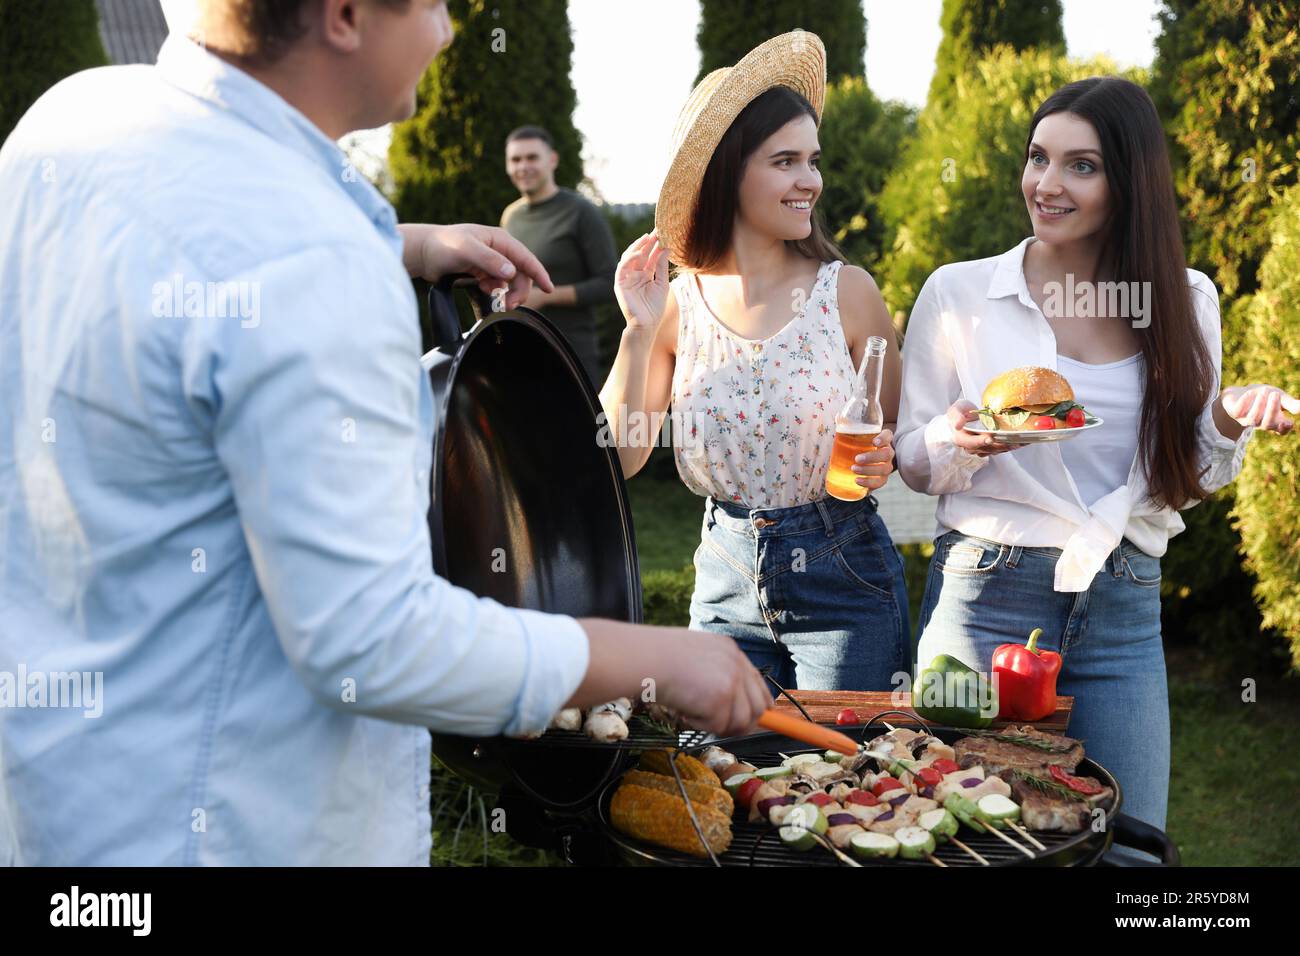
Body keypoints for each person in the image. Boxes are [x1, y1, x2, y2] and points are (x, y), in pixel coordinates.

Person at [0, 0, 769, 866]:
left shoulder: (67, 122)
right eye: (436, 7)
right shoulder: (311, 262)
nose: (446, 33)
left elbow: (198, 247)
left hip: (64, 795)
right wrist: (654, 657)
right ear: (346, 15)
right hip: (231, 822)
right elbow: (370, 638)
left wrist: (402, 243)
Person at [895, 76, 1296, 861]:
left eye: (1081, 166)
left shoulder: (1184, 298)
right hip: (985, 601)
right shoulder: (962, 293)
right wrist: (956, 438)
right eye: (1039, 158)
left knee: (1131, 853)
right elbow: (912, 462)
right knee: (969, 842)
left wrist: (1225, 417)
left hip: (1123, 609)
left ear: (1129, 183)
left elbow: (1192, 478)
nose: (1046, 184)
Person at [599, 32, 909, 694]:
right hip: (723, 579)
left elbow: (898, 442)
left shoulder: (847, 294)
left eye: (813, 160)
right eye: (786, 161)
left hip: (844, 578)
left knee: (845, 788)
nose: (811, 182)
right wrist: (638, 328)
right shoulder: (675, 306)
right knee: (725, 785)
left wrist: (889, 457)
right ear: (729, 171)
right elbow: (618, 457)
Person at [501, 124, 618, 384]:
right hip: (520, 352)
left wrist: (545, 297)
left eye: (532, 157)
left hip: (571, 356)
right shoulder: (510, 217)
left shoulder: (581, 212)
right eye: (515, 159)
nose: (523, 166)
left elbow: (610, 283)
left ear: (552, 159)